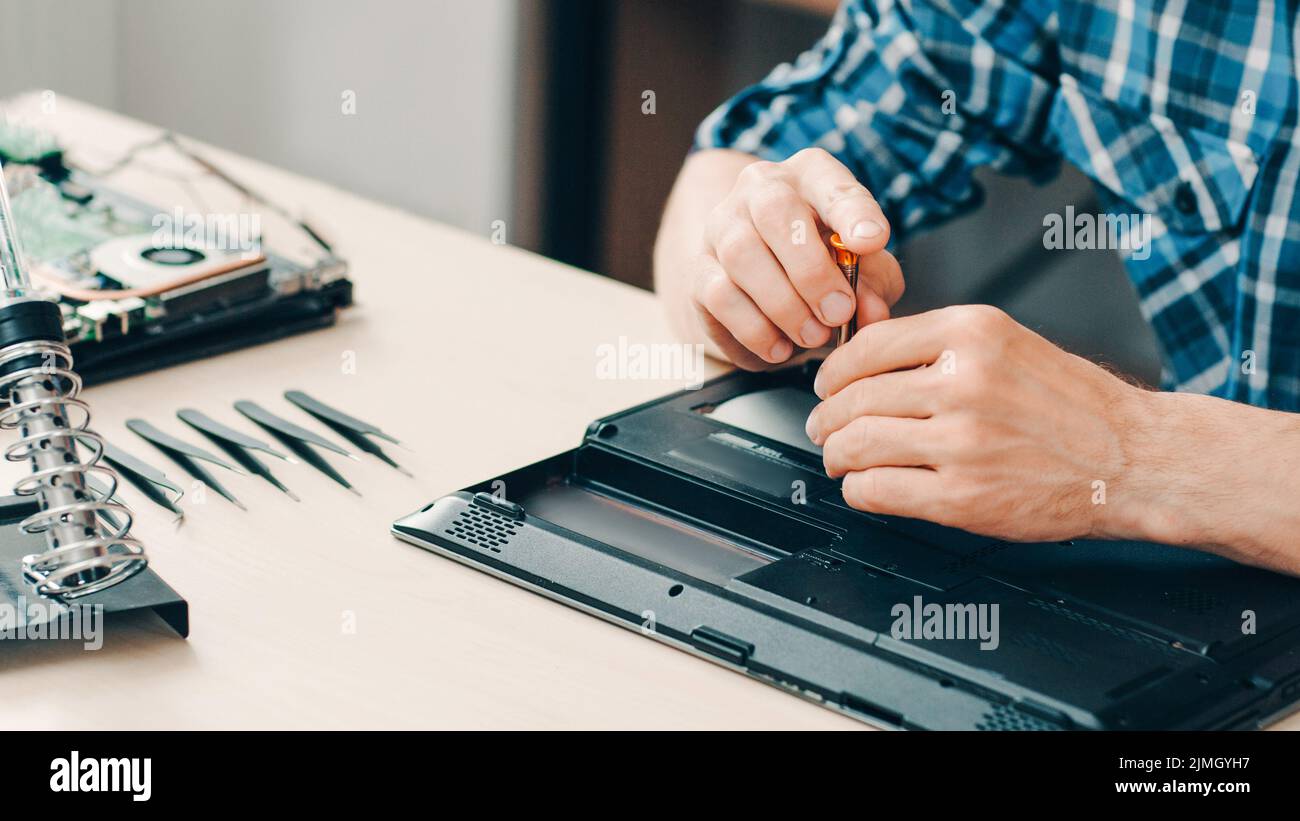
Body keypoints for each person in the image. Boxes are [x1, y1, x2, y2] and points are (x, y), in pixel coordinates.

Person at [653, 0, 1300, 575]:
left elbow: (1134, 459)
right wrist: (748, 269)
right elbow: (731, 168)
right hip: (1216, 591)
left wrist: (1130, 453)